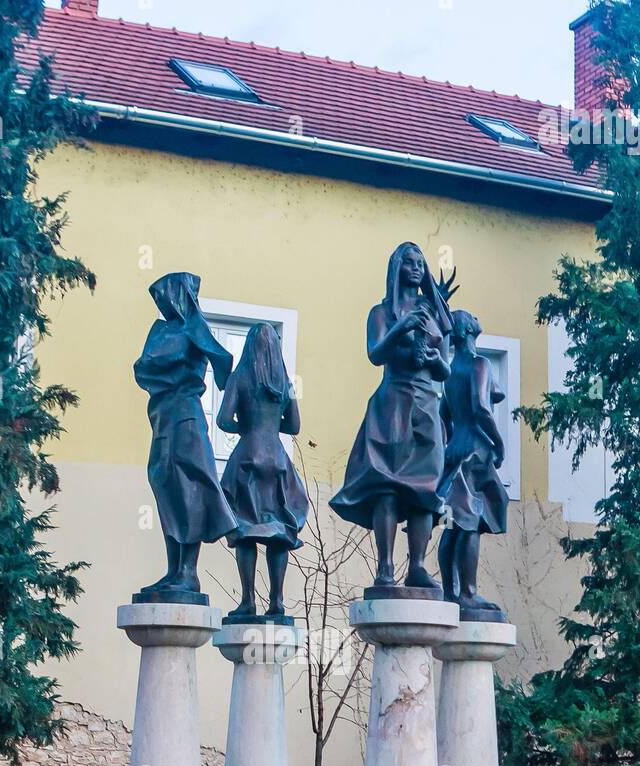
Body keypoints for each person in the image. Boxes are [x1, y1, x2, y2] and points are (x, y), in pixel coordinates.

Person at [329, 242, 453, 590]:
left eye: (420, 263)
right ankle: (385, 567)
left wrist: (434, 360)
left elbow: (445, 369)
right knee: (386, 485)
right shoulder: (381, 312)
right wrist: (401, 328)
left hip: (426, 407)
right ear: (397, 268)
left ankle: (417, 566)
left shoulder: (434, 312)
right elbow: (375, 353)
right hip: (392, 404)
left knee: (424, 489)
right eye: (409, 262)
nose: (416, 268)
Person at [133, 272, 236, 596]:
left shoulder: (194, 327)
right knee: (164, 484)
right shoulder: (160, 330)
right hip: (162, 415)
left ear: (177, 294)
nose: (160, 303)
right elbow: (142, 368)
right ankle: (173, 570)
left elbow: (223, 361)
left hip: (186, 415)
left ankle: (188, 572)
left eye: (163, 296)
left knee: (190, 486)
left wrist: (229, 388)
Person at [218, 323, 308, 619]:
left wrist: (247, 426)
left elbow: (222, 420)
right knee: (278, 532)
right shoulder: (284, 382)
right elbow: (294, 426)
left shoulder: (240, 377)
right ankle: (277, 601)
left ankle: (248, 600)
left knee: (245, 531)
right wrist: (270, 425)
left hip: (247, 459)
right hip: (277, 461)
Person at [437, 309, 509, 617]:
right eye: (473, 317)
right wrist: (499, 443)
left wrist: (450, 443)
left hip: (456, 448)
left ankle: (450, 592)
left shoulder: (451, 369)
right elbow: (481, 407)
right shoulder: (480, 363)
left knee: (453, 522)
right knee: (473, 520)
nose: (479, 317)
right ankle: (467, 593)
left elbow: (443, 415)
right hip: (476, 450)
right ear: (467, 329)